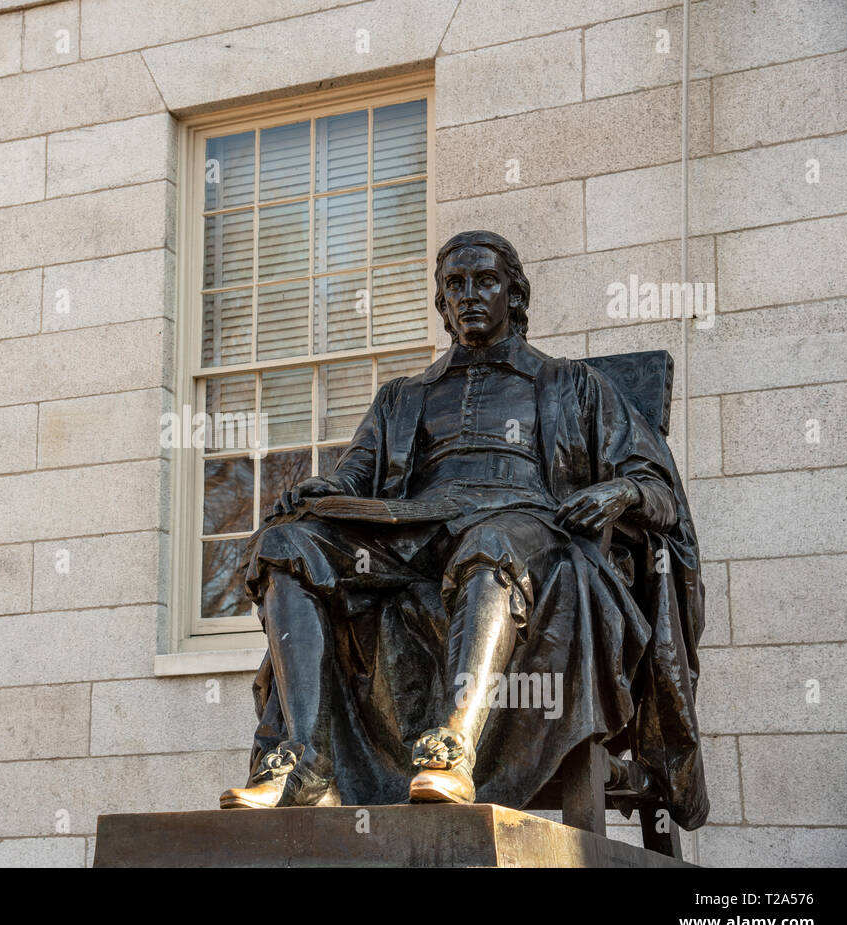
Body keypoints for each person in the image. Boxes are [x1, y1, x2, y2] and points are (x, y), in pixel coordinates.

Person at [219, 230, 709, 831]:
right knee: (283, 545)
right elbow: (353, 478)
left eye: (485, 281)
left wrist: (621, 490)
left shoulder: (573, 384)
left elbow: (659, 491)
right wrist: (323, 491)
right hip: (410, 537)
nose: (469, 295)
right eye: (455, 285)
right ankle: (304, 761)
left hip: (529, 528)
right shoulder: (402, 396)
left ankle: (451, 748)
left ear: (516, 295)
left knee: (491, 542)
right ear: (441, 303)